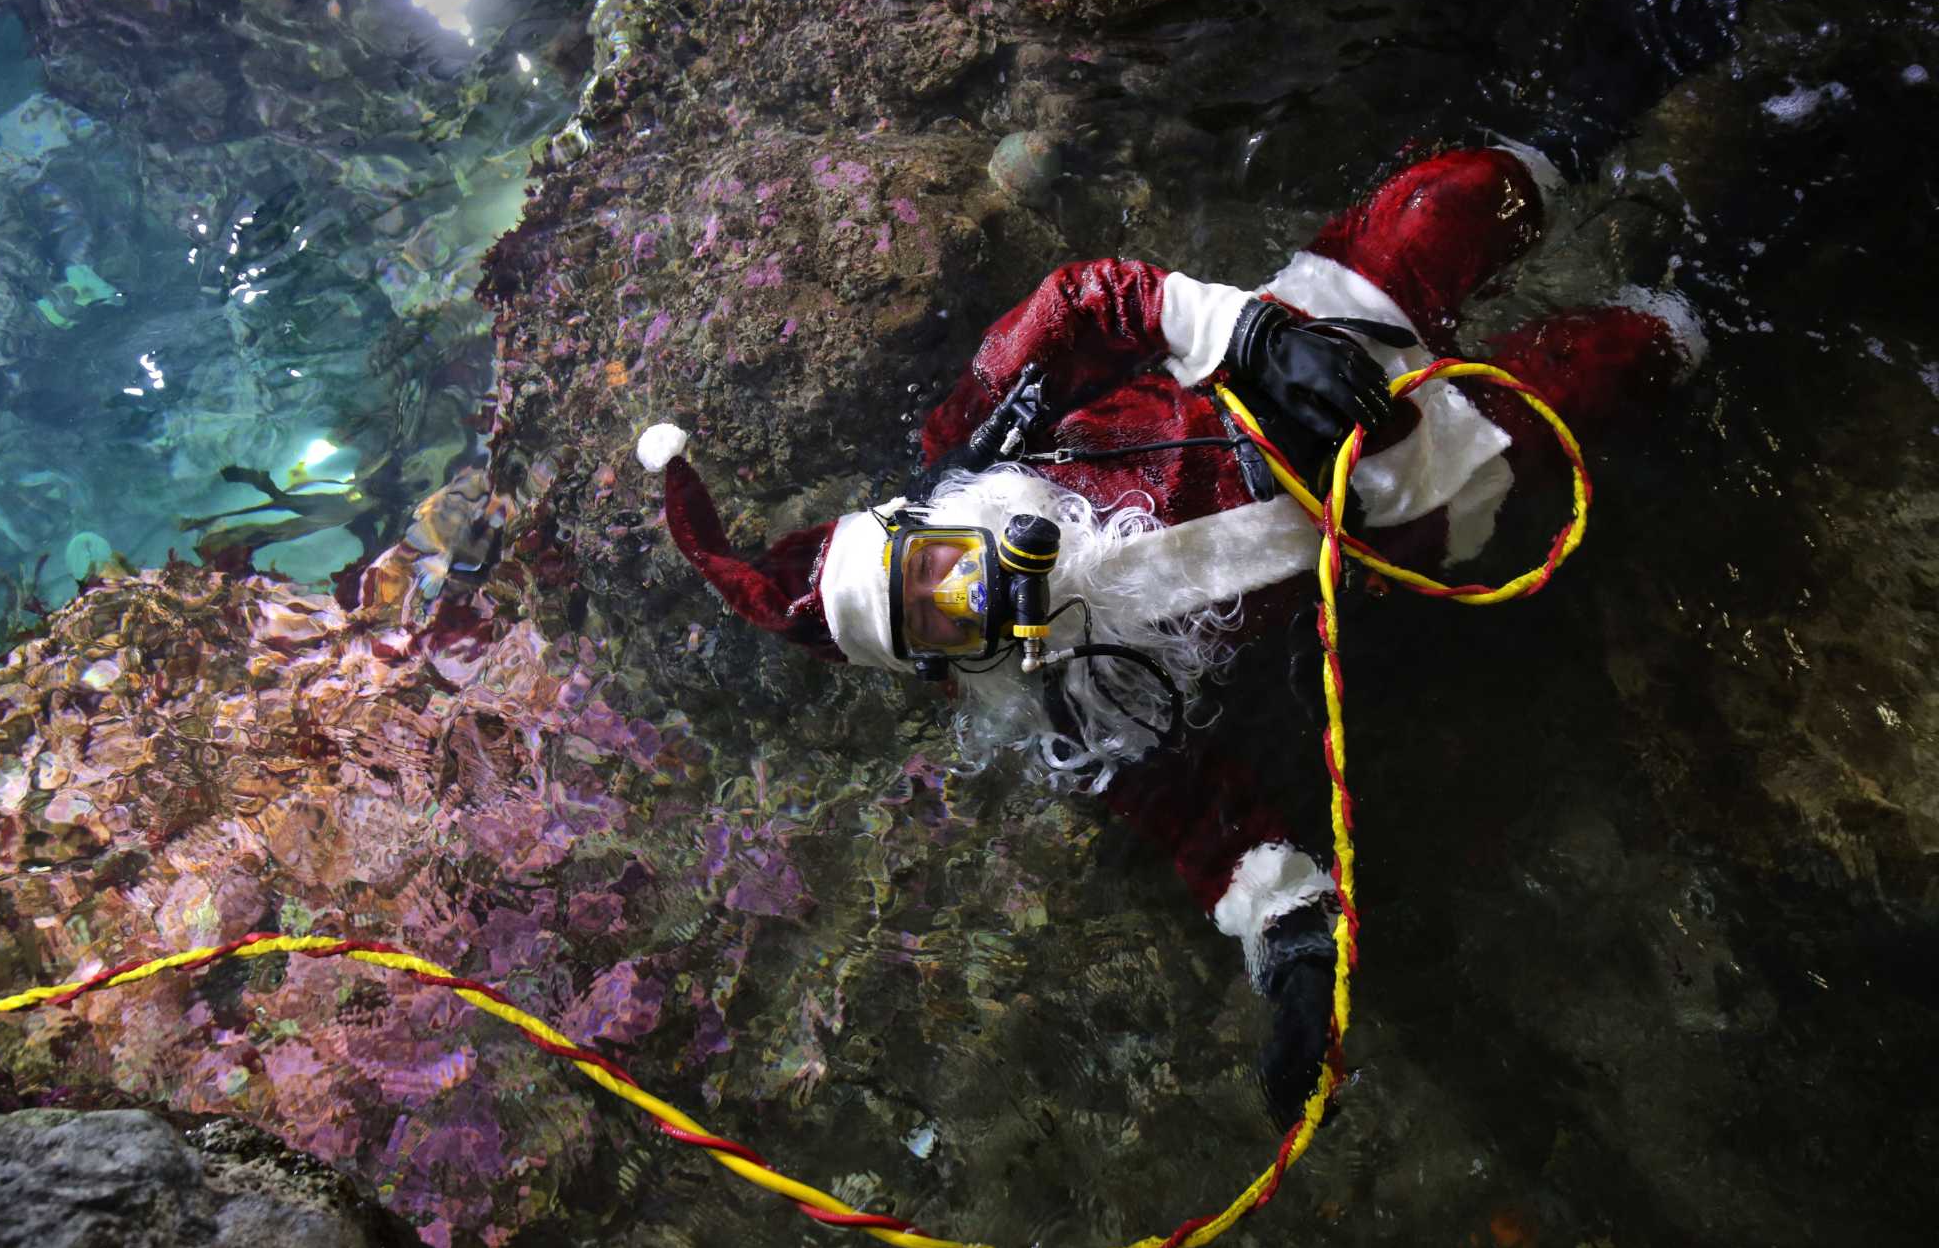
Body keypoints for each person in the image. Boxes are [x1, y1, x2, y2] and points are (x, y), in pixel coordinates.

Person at [634, 136, 1706, 1119]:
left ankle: (1582, 134)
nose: (980, 597)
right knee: (1617, 361)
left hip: (1307, 340)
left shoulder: (978, 439)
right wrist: (1292, 955)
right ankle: (1705, 294)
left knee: (1460, 193)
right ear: (936, 671)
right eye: (946, 629)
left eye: (936, 568)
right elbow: (1210, 832)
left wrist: (1241, 333)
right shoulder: (1084, 713)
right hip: (1400, 502)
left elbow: (1081, 302)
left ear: (912, 519)